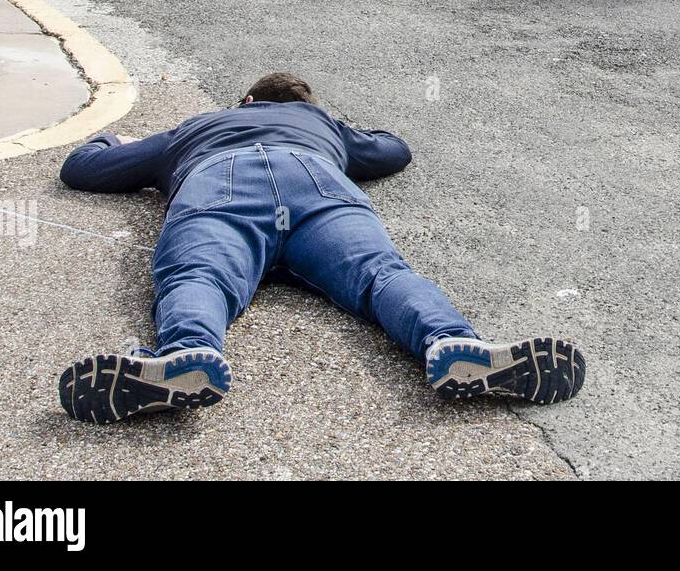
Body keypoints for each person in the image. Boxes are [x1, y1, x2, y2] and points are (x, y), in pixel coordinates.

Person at [56, 72, 585, 423]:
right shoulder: (320, 124)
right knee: (381, 275)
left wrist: (112, 142)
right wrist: (337, 129)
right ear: (308, 106)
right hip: (316, 182)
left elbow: (82, 172)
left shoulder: (199, 126)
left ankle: (186, 352)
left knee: (198, 274)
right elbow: (394, 150)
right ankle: (451, 343)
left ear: (247, 101)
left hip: (220, 181)